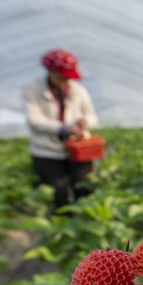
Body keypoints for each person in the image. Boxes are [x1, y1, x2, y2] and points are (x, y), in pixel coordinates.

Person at [24, 49, 100, 210]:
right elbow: (34, 120)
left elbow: (92, 116)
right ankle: (64, 225)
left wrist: (84, 122)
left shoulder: (78, 90)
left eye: (68, 77)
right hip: (47, 151)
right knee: (57, 192)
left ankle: (84, 220)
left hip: (79, 149)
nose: (66, 80)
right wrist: (63, 128)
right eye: (62, 76)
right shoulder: (33, 89)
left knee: (83, 187)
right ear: (50, 71)